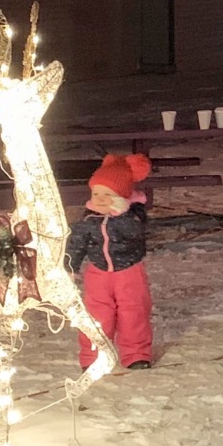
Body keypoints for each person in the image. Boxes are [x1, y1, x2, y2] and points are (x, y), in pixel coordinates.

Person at [65, 152, 157, 371]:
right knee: (97, 315)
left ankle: (136, 354)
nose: (100, 198)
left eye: (107, 194)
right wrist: (70, 266)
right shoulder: (89, 220)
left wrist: (122, 213)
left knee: (133, 312)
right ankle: (93, 355)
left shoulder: (133, 217)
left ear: (121, 196)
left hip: (129, 271)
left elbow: (135, 233)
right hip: (98, 273)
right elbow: (76, 244)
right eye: (96, 193)